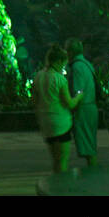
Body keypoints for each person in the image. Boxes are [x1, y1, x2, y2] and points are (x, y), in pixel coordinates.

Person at [31, 43, 83, 173]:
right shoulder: (59, 79)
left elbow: (34, 101)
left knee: (55, 160)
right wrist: (79, 96)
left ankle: (54, 188)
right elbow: (69, 103)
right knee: (62, 161)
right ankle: (61, 189)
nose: (64, 66)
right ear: (59, 61)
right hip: (61, 124)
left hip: (45, 123)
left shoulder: (38, 76)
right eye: (64, 63)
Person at [67, 39, 99, 168]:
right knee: (90, 143)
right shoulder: (87, 64)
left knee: (87, 146)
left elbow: (78, 90)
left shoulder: (77, 66)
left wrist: (72, 106)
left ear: (70, 52)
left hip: (83, 109)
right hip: (91, 106)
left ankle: (92, 174)